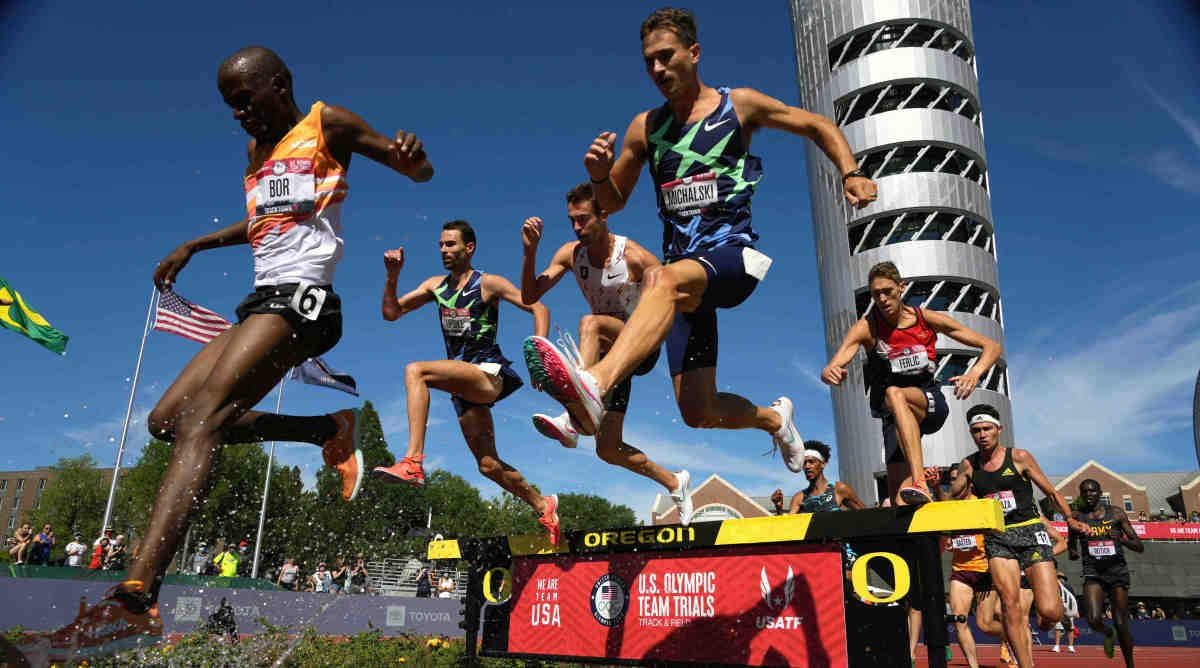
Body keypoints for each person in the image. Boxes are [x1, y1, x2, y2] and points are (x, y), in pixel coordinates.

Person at [20, 45, 437, 659]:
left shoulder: (328, 125)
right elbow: (261, 222)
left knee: (207, 418)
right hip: (260, 303)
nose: (240, 115)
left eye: (246, 99)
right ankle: (325, 427)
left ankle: (136, 599)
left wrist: (413, 162)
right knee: (168, 422)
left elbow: (413, 170)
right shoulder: (254, 155)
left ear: (279, 84)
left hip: (306, 301)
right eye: (230, 107)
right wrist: (197, 242)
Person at [522, 8, 877, 475]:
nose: (657, 69)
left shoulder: (740, 105)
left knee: (660, 280)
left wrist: (850, 171)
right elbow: (613, 202)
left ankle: (594, 383)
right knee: (697, 411)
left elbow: (816, 124)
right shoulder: (645, 128)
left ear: (694, 52)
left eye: (666, 57)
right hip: (682, 283)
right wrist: (599, 176)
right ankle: (775, 420)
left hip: (733, 256)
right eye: (648, 61)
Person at [370, 221, 561, 545]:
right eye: (441, 245)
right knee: (487, 465)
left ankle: (413, 460)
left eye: (450, 244)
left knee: (416, 371)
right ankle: (544, 505)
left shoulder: (488, 284)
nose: (444, 250)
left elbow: (538, 306)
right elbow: (392, 312)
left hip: (488, 373)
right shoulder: (435, 287)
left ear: (469, 248)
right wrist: (392, 277)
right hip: (464, 386)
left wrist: (539, 353)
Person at [519, 183, 692, 524]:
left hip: (640, 347)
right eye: (572, 221)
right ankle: (675, 482)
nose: (576, 228)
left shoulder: (633, 256)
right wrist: (530, 252)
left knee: (591, 323)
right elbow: (529, 295)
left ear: (604, 215)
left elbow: (674, 295)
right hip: (609, 362)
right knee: (607, 448)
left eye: (583, 220)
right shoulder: (571, 254)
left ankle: (574, 413)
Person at [821, 261, 1002, 505]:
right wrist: (830, 371)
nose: (882, 299)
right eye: (876, 294)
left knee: (895, 393)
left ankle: (920, 481)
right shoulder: (867, 327)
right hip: (894, 418)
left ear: (901, 288)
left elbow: (991, 346)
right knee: (900, 500)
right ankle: (921, 522)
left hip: (928, 403)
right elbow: (835, 362)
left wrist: (974, 373)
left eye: (888, 292)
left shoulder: (925, 319)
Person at [946, 404, 1087, 668]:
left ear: (999, 429)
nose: (982, 435)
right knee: (1010, 605)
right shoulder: (970, 464)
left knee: (1050, 611)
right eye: (976, 431)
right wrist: (943, 484)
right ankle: (1025, 665)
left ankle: (1046, 619)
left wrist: (1069, 517)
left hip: (1030, 532)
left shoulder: (1019, 456)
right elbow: (952, 495)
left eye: (987, 429)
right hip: (998, 537)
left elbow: (1052, 493)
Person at [1069, 478, 1144, 665]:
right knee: (1093, 619)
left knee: (1121, 623)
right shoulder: (1077, 517)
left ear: (1100, 493)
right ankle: (1107, 633)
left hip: (1117, 572)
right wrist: (1074, 552)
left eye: (1092, 491)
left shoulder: (1116, 514)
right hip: (1093, 572)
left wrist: (1121, 539)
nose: (1089, 494)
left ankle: (1130, 664)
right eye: (1085, 491)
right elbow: (1071, 548)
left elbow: (1139, 546)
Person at [935, 465, 989, 668]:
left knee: (985, 624)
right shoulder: (952, 505)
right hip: (961, 570)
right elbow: (943, 505)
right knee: (960, 621)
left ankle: (1010, 638)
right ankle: (974, 666)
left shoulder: (980, 502)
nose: (954, 483)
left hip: (985, 569)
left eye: (958, 479)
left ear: (969, 482)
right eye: (951, 479)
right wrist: (951, 539)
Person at [1052, 572, 1079, 654]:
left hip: (1069, 610)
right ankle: (1057, 646)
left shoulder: (1068, 587)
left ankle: (1070, 646)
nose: (1060, 579)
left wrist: (1076, 610)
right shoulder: (1053, 587)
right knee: (1058, 628)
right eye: (1058, 577)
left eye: (1061, 578)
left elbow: (1073, 599)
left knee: (1070, 628)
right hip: (1058, 609)